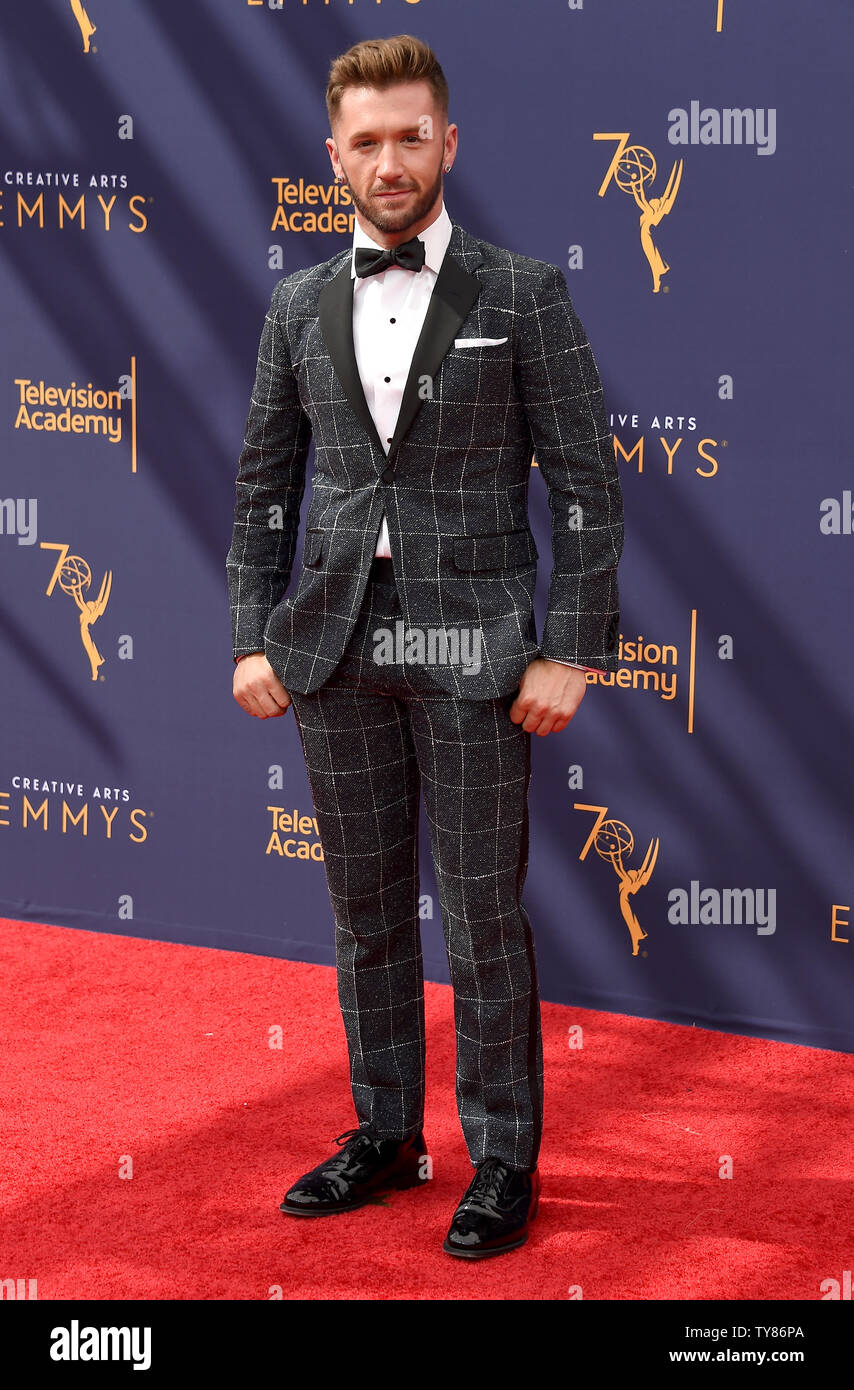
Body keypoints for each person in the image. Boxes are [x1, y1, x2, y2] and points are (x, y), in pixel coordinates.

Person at [226, 33, 623, 1260]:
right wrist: (253, 635)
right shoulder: (295, 302)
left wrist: (571, 648)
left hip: (473, 644)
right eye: (366, 141)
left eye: (411, 137)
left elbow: (587, 486)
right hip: (333, 645)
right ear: (331, 156)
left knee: (485, 917)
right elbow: (260, 489)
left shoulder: (522, 292)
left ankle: (501, 1156)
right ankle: (386, 1134)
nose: (389, 161)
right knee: (364, 913)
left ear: (447, 143)